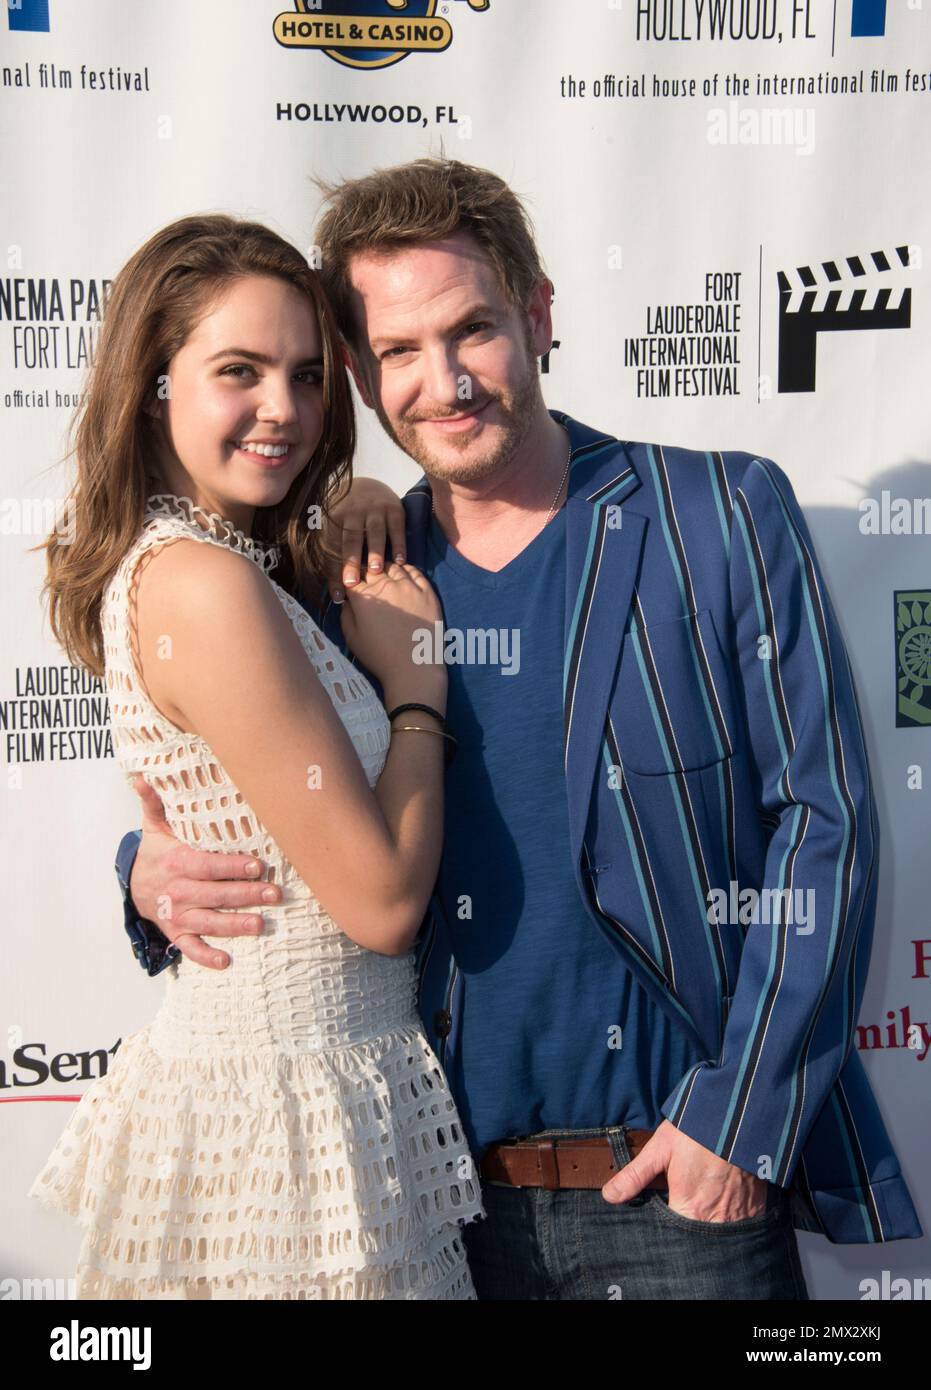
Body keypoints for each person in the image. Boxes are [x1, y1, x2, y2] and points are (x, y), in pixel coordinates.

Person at [112, 162, 923, 1300]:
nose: (442, 383)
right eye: (397, 351)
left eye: (473, 329)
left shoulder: (716, 515)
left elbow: (823, 820)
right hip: (427, 1204)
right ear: (359, 369)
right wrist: (143, 869)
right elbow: (271, 791)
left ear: (538, 314)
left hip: (671, 1190)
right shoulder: (344, 572)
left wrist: (741, 1121)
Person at [27, 212, 485, 1299]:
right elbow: (378, 904)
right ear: (154, 382)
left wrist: (350, 501)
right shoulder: (204, 583)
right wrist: (420, 687)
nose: (285, 408)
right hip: (283, 1119)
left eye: (308, 375)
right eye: (240, 371)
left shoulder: (233, 561)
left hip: (311, 1093)